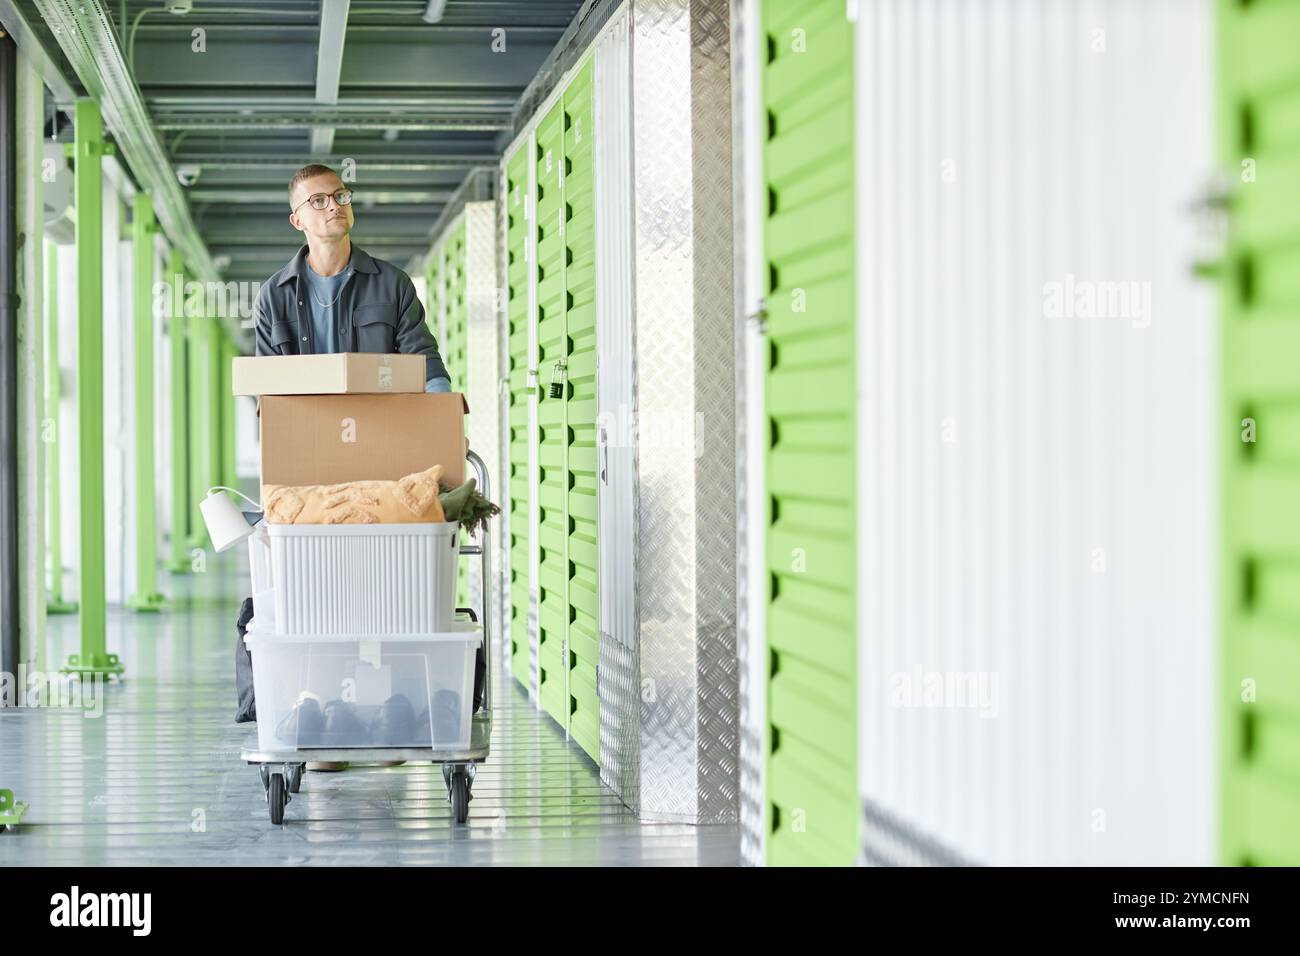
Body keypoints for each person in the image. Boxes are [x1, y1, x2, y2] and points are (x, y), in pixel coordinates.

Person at [247, 163, 452, 772]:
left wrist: (445, 427)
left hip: (382, 461)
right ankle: (324, 714)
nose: (334, 204)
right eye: (319, 199)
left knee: (391, 586)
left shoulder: (391, 284)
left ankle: (391, 713)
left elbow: (424, 364)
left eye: (340, 195)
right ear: (297, 219)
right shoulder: (274, 295)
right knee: (322, 590)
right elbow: (270, 394)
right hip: (313, 468)